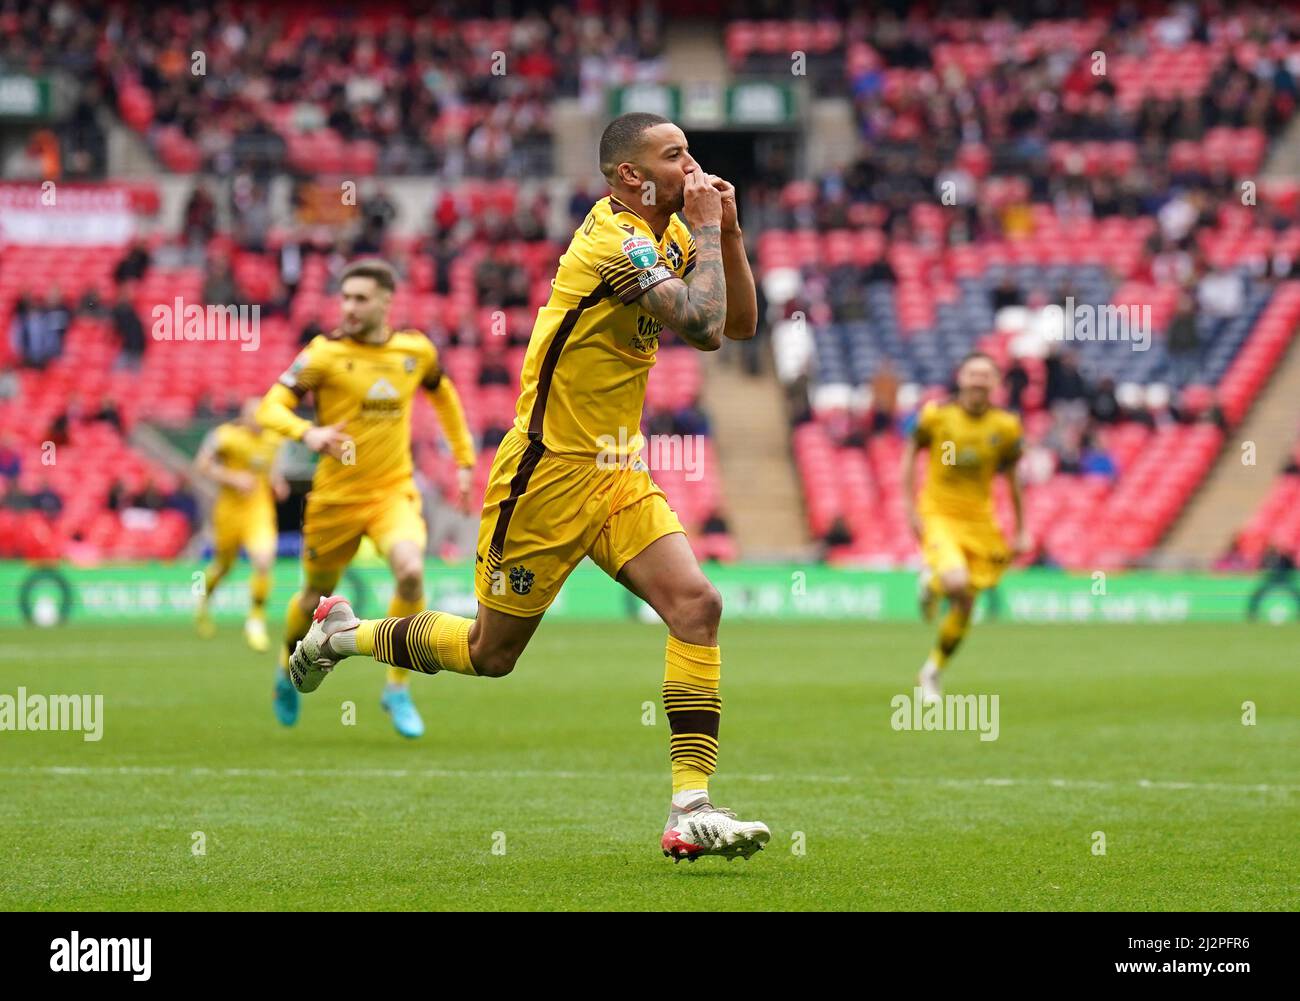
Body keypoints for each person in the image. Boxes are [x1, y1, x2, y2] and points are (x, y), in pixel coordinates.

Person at [284, 113, 770, 862]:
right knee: (491, 651)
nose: (693, 167)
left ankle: (689, 807)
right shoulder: (613, 242)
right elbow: (702, 326)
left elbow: (738, 323)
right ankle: (342, 636)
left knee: (697, 604)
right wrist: (706, 230)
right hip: (544, 475)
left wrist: (726, 233)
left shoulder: (673, 233)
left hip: (617, 470)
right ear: (630, 178)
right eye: (675, 156)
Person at [255, 259, 477, 738]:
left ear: (384, 302)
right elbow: (269, 406)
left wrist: (463, 461)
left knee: (412, 572)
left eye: (359, 298)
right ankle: (287, 666)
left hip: (392, 492)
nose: (349, 307)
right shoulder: (323, 355)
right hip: (334, 499)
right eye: (345, 298)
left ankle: (396, 687)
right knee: (313, 595)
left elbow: (445, 395)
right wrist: (307, 432)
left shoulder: (414, 350)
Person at [901, 352, 1030, 705]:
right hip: (939, 513)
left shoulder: (1005, 427)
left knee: (966, 602)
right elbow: (911, 451)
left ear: (995, 383)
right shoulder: (937, 416)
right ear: (960, 377)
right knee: (955, 581)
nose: (978, 380)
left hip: (980, 522)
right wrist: (909, 506)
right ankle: (930, 581)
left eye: (985, 375)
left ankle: (932, 669)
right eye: (972, 373)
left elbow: (1014, 479)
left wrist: (1021, 528)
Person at [193, 399, 287, 651]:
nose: (258, 421)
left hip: (259, 510)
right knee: (223, 566)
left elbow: (273, 471)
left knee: (264, 560)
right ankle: (203, 602)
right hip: (228, 512)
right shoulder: (225, 436)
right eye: (253, 416)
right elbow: (201, 465)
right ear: (243, 417)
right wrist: (232, 477)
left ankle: (256, 621)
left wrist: (279, 484)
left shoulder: (273, 440)